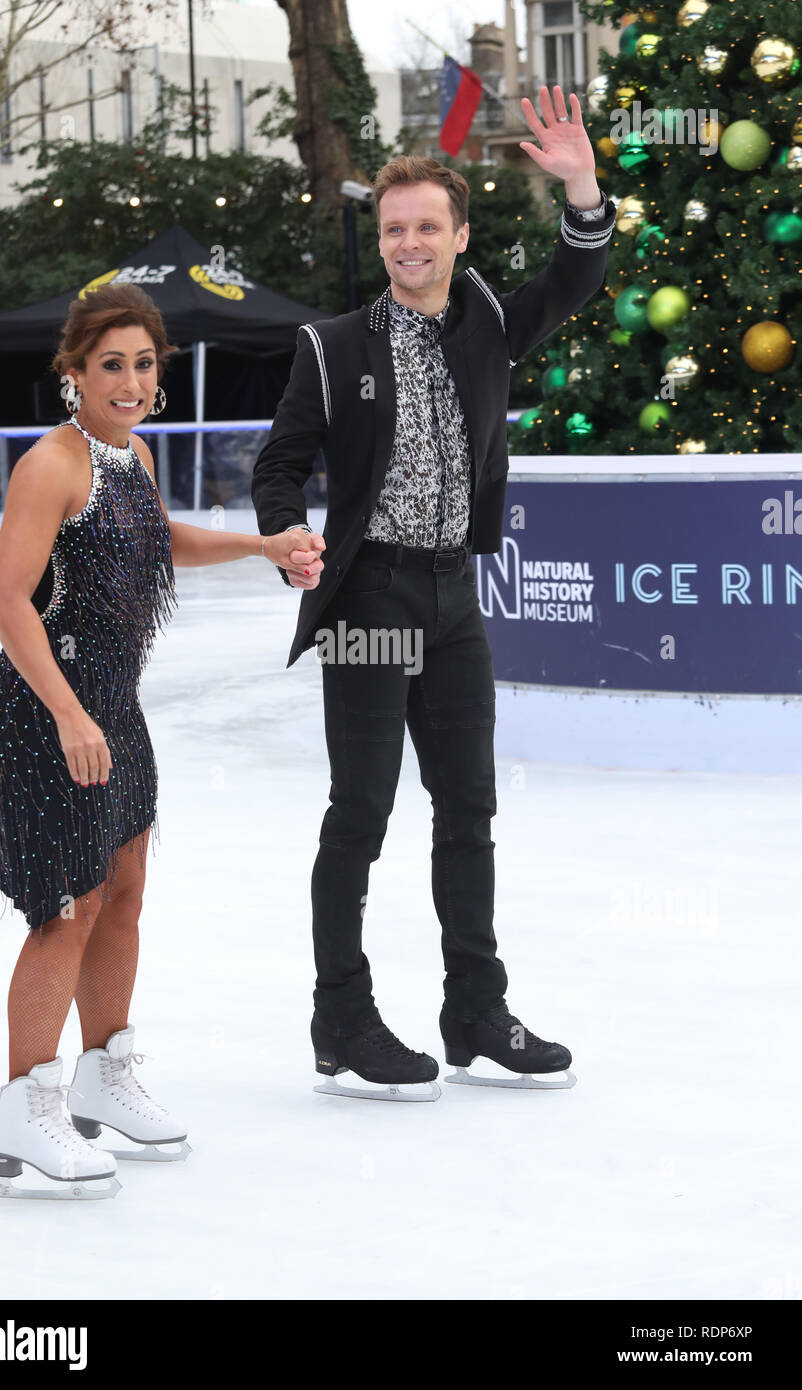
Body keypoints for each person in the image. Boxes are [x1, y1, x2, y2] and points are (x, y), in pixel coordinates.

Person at [252, 86, 616, 1100]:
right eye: (392, 227)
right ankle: (341, 1014)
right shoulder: (332, 346)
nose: (407, 242)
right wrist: (285, 529)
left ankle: (474, 1010)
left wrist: (579, 184)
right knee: (359, 808)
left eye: (425, 227)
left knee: (467, 806)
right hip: (368, 599)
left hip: (453, 599)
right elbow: (281, 464)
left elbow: (575, 275)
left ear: (457, 235)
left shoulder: (489, 322)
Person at [0, 282, 317, 1197]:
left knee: (124, 892)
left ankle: (103, 1074)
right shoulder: (50, 465)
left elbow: (156, 543)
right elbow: (8, 599)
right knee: (67, 909)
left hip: (112, 705)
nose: (129, 382)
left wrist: (263, 548)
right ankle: (24, 1102)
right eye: (111, 365)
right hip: (44, 710)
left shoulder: (132, 459)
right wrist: (68, 712)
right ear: (74, 372)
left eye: (143, 364)